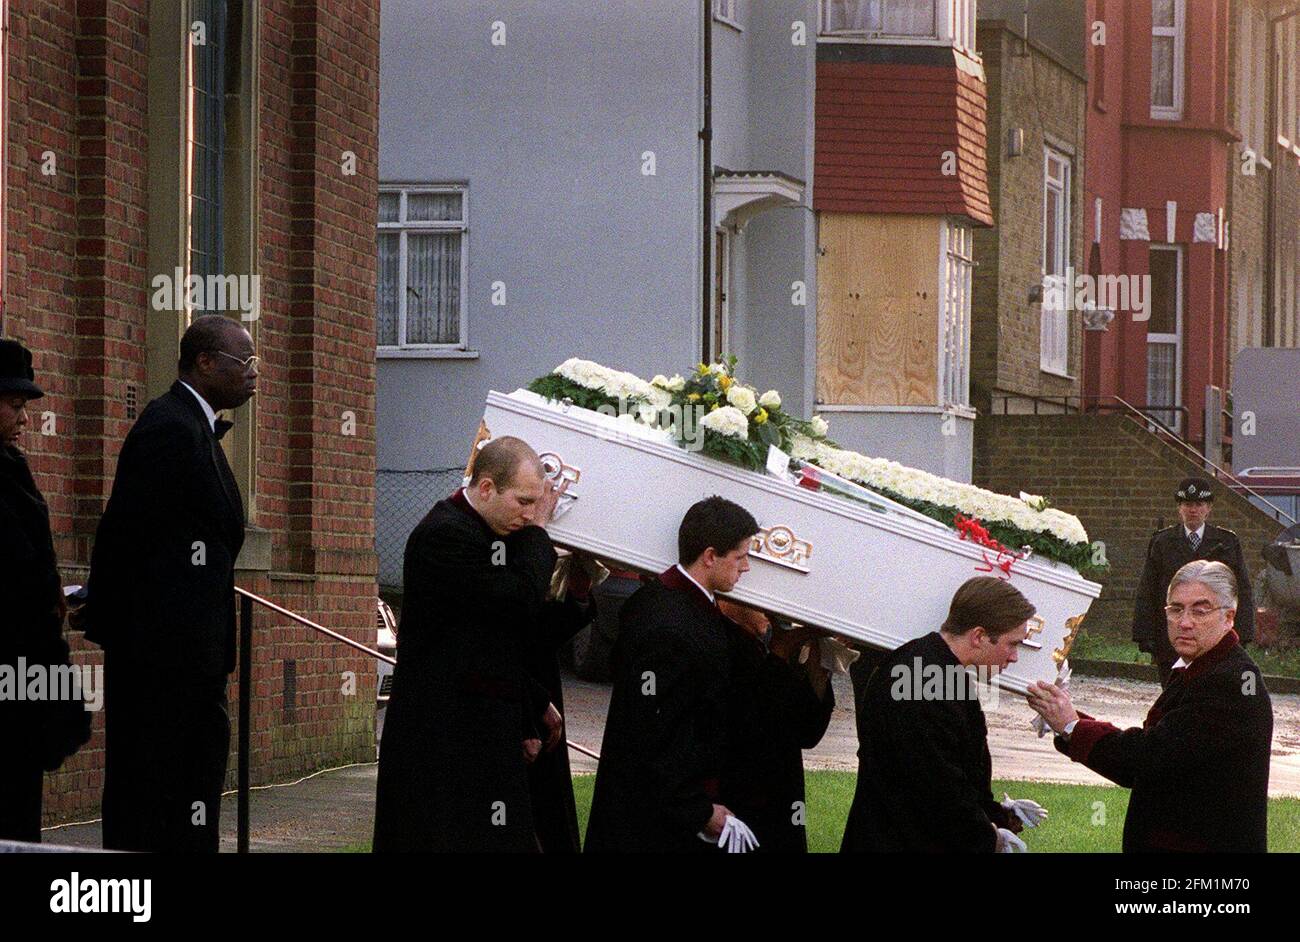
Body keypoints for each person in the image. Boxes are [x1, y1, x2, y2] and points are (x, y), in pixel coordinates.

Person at [83, 315, 257, 852]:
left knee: (192, 795)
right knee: (156, 797)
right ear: (204, 362)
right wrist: (118, 625)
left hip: (192, 663)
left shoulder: (195, 427)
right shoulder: (168, 426)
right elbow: (125, 534)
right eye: (243, 363)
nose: (254, 374)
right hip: (163, 666)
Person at [372, 436, 568, 852]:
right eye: (524, 502)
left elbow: (491, 638)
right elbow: (514, 602)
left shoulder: (487, 529)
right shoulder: (444, 535)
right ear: (485, 489)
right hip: (440, 744)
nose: (532, 513)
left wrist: (531, 702)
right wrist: (539, 535)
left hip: (475, 739)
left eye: (537, 504)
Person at [1031, 560, 1273, 853]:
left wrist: (1072, 725)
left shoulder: (1230, 680)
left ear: (1229, 617)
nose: (1185, 622)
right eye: (1176, 609)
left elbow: (1146, 759)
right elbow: (1155, 753)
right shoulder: (1205, 667)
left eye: (1200, 610)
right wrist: (1068, 720)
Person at [585, 496, 759, 853]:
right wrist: (697, 810)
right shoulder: (670, 624)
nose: (747, 568)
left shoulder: (664, 601)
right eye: (740, 557)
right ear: (710, 556)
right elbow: (655, 730)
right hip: (651, 818)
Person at [841, 577, 1040, 853]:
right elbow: (936, 787)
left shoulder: (933, 668)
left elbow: (951, 770)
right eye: (1012, 644)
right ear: (979, 636)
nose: (1014, 657)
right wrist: (986, 836)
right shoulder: (923, 679)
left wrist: (997, 815)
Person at [0, 339, 91, 842]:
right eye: (15, 405)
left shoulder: (13, 468)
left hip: (23, 680)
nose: (25, 418)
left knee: (19, 809)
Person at [716, 601, 834, 854]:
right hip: (743, 806)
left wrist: (818, 668)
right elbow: (753, 724)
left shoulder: (763, 647)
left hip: (781, 801)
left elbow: (806, 732)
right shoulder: (718, 640)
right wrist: (782, 651)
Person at [1133, 477, 1254, 687]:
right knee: (1173, 697)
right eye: (1188, 504)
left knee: (1211, 695)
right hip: (1172, 638)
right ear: (1179, 508)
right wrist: (1145, 635)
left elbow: (1241, 590)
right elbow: (1148, 590)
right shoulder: (1163, 542)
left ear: (1208, 508)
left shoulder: (1225, 542)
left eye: (1199, 505)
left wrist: (1242, 633)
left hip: (1213, 637)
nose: (1193, 510)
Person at [522, 554, 598, 853]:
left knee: (547, 810)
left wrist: (578, 594)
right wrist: (535, 705)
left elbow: (543, 635)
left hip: (538, 702)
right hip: (514, 709)